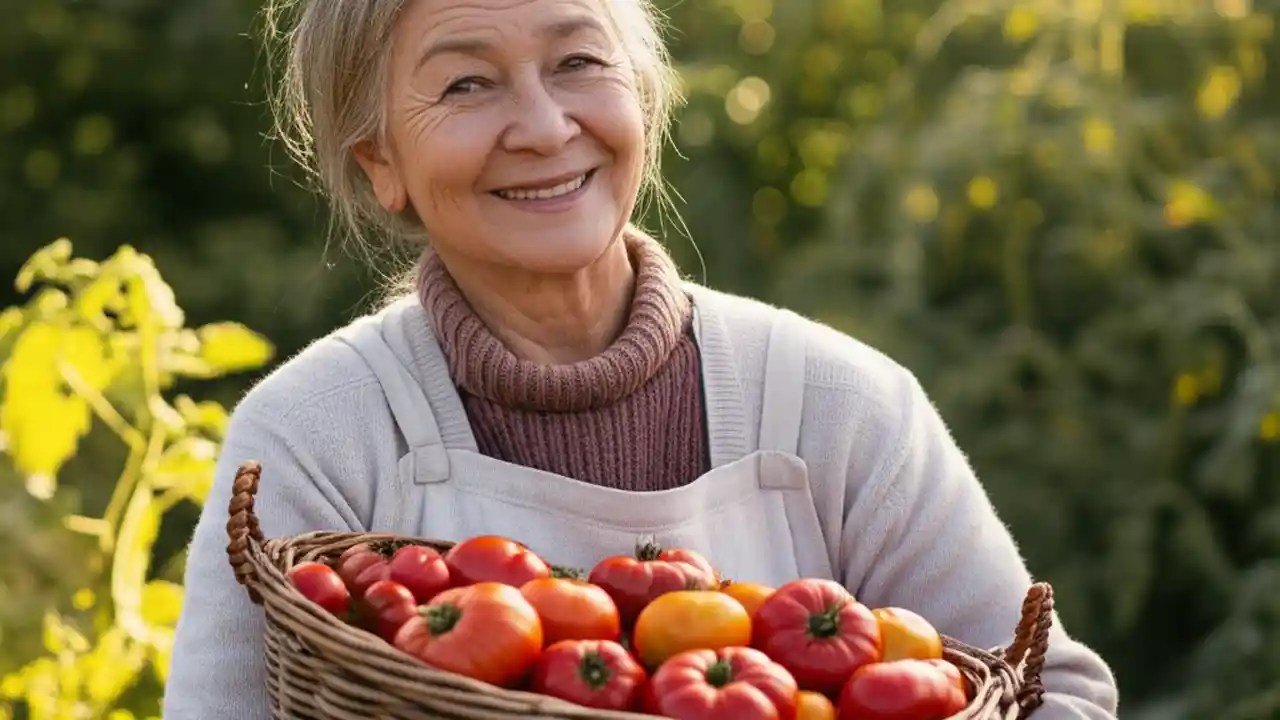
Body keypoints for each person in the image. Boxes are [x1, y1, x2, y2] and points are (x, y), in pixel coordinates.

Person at [164, 0, 1120, 717]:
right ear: (381, 163)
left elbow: (1055, 697)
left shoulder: (835, 405)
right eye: (466, 83)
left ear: (643, 97)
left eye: (578, 61)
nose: (543, 127)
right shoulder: (318, 435)